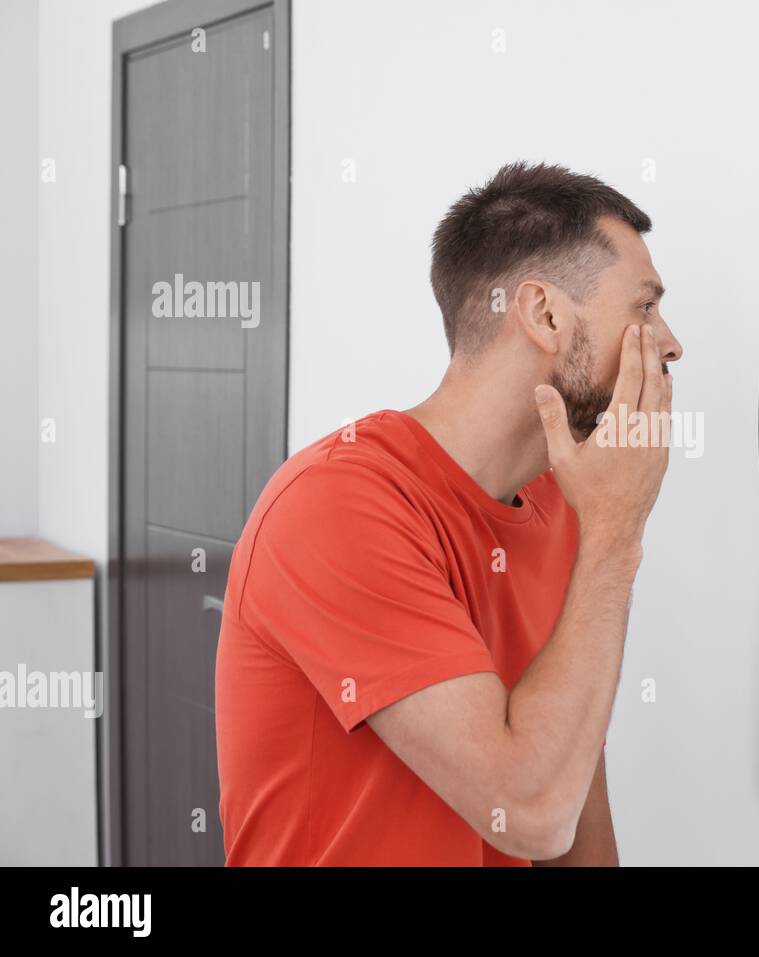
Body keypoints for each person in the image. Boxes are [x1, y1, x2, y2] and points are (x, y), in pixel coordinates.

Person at [215, 161, 683, 864]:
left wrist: (606, 531)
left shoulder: (575, 504)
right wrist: (617, 536)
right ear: (545, 314)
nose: (669, 342)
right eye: (644, 307)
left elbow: (574, 795)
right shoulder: (335, 507)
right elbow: (530, 813)